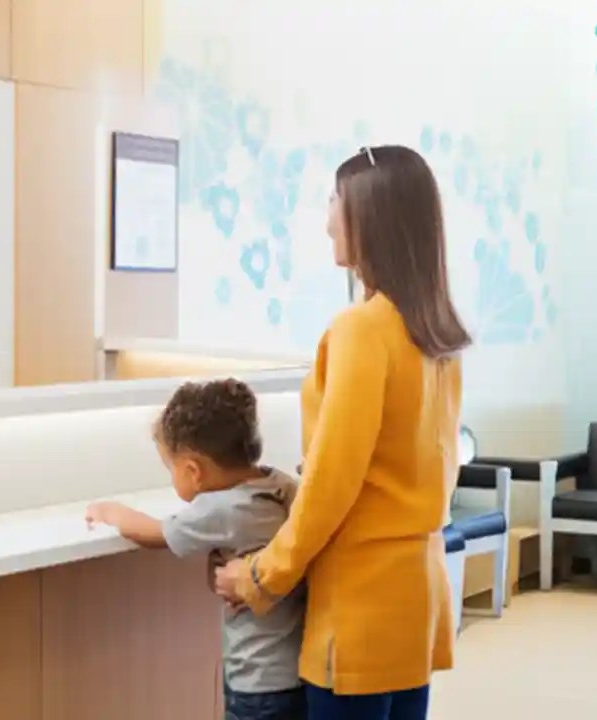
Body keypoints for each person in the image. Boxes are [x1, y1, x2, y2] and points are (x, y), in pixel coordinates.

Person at [214, 144, 471, 720]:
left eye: (334, 199)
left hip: (358, 607)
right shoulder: (436, 333)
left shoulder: (362, 330)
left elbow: (331, 486)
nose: (327, 216)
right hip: (417, 596)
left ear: (367, 215)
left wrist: (259, 577)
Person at [86, 378, 307, 720]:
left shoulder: (221, 509)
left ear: (193, 471)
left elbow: (154, 534)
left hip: (256, 680)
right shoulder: (279, 485)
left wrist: (111, 512)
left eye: (170, 468)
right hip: (296, 672)